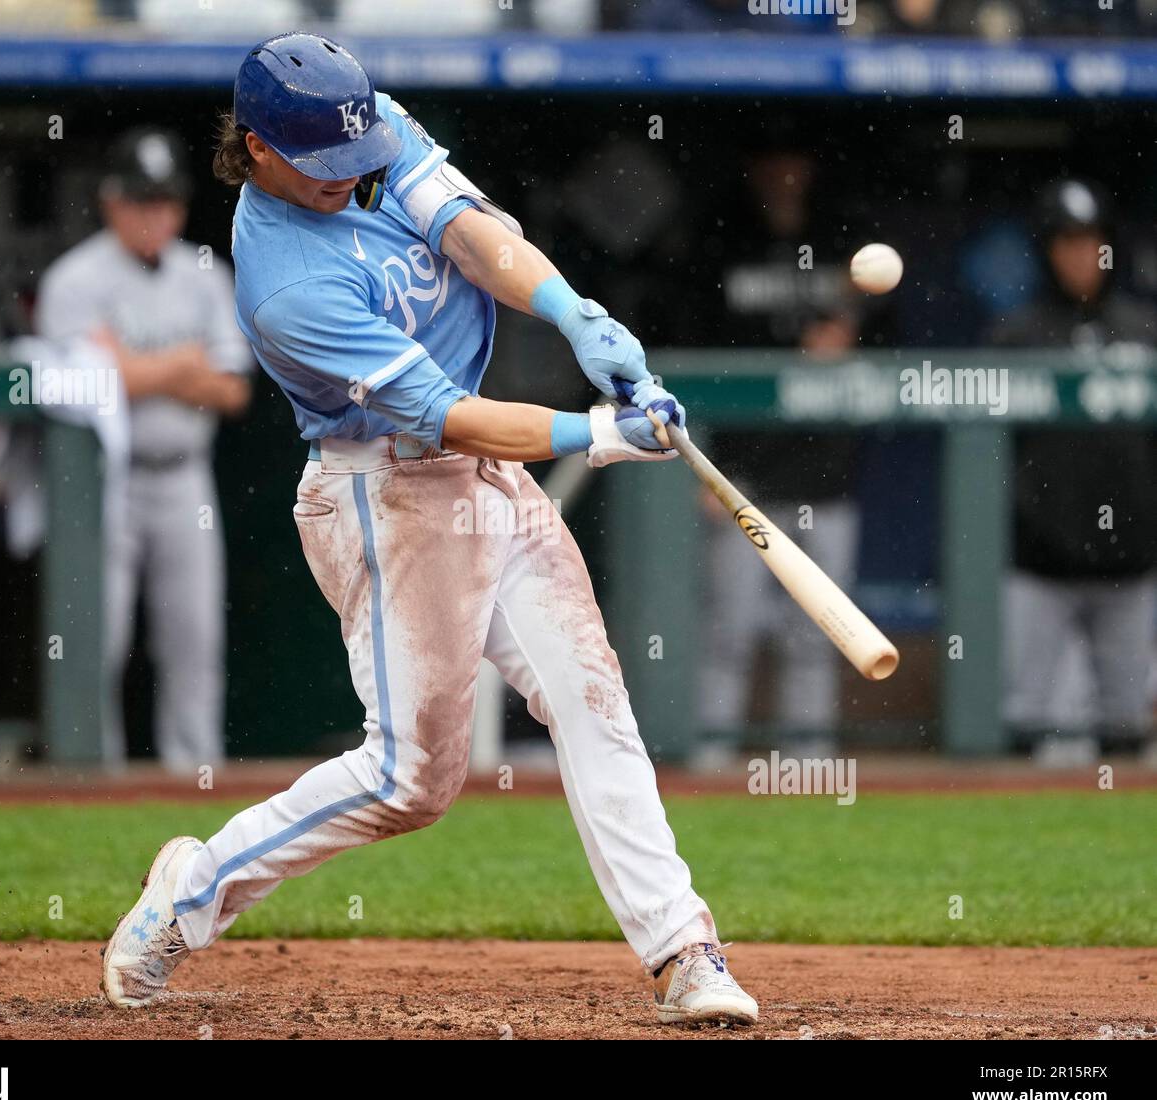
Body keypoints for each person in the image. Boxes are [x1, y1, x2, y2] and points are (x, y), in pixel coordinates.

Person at [101, 32, 758, 1027]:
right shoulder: (284, 288)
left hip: (481, 473)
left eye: (355, 157)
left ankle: (681, 949)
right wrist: (599, 433)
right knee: (414, 781)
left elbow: (469, 231)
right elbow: (448, 414)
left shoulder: (358, 125)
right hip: (386, 495)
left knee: (591, 697)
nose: (348, 178)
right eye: (323, 168)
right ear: (258, 149)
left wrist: (576, 316)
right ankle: (194, 890)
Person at [35, 128, 252, 772]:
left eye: (164, 201)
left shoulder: (206, 274)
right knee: (97, 639)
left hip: (185, 479)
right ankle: (87, 778)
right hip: (102, 481)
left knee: (194, 639)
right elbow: (93, 384)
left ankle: (195, 779)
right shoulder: (74, 278)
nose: (154, 215)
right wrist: (181, 367)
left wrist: (137, 368)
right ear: (111, 202)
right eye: (139, 201)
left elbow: (233, 390)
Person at [696, 145, 862, 767]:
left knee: (819, 635)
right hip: (745, 479)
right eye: (772, 166)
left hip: (829, 478)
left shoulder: (841, 238)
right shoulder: (721, 245)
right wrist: (706, 471)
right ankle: (707, 763)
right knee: (729, 631)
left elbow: (898, 356)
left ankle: (809, 763)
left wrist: (848, 334)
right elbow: (692, 361)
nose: (785, 178)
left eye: (795, 165)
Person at [988, 178, 1157, 762]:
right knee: (1025, 728)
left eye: (1090, 241)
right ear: (1047, 250)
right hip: (1039, 569)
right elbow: (988, 462)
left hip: (1130, 569)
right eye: (1066, 242)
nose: (1081, 255)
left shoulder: (1144, 331)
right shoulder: (1015, 336)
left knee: (1127, 733)